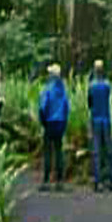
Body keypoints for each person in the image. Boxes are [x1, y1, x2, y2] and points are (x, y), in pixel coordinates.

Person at [37, 62, 69, 191]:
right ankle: (60, 181)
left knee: (48, 151)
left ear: (51, 75)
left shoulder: (47, 89)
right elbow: (67, 106)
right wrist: (64, 121)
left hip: (50, 122)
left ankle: (46, 180)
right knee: (59, 151)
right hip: (61, 122)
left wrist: (43, 121)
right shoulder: (63, 89)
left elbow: (42, 107)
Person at [87, 58, 112, 192]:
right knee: (109, 151)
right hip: (106, 119)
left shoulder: (92, 86)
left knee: (97, 151)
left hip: (96, 120)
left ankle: (98, 182)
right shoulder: (107, 85)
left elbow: (90, 104)